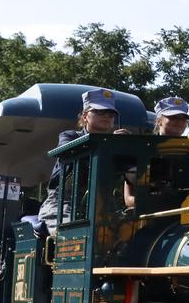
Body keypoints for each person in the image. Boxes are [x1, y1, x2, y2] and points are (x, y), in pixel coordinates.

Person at [38, 88, 129, 234]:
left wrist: (126, 148)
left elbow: (133, 173)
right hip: (63, 203)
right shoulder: (69, 137)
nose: (106, 116)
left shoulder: (116, 145)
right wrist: (108, 144)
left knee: (129, 233)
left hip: (104, 204)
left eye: (111, 114)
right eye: (99, 112)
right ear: (85, 115)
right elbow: (66, 150)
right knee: (70, 237)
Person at [124, 96, 189, 209]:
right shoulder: (141, 149)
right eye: (173, 117)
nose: (179, 122)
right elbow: (129, 198)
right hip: (148, 216)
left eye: (183, 118)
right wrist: (156, 201)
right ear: (159, 120)